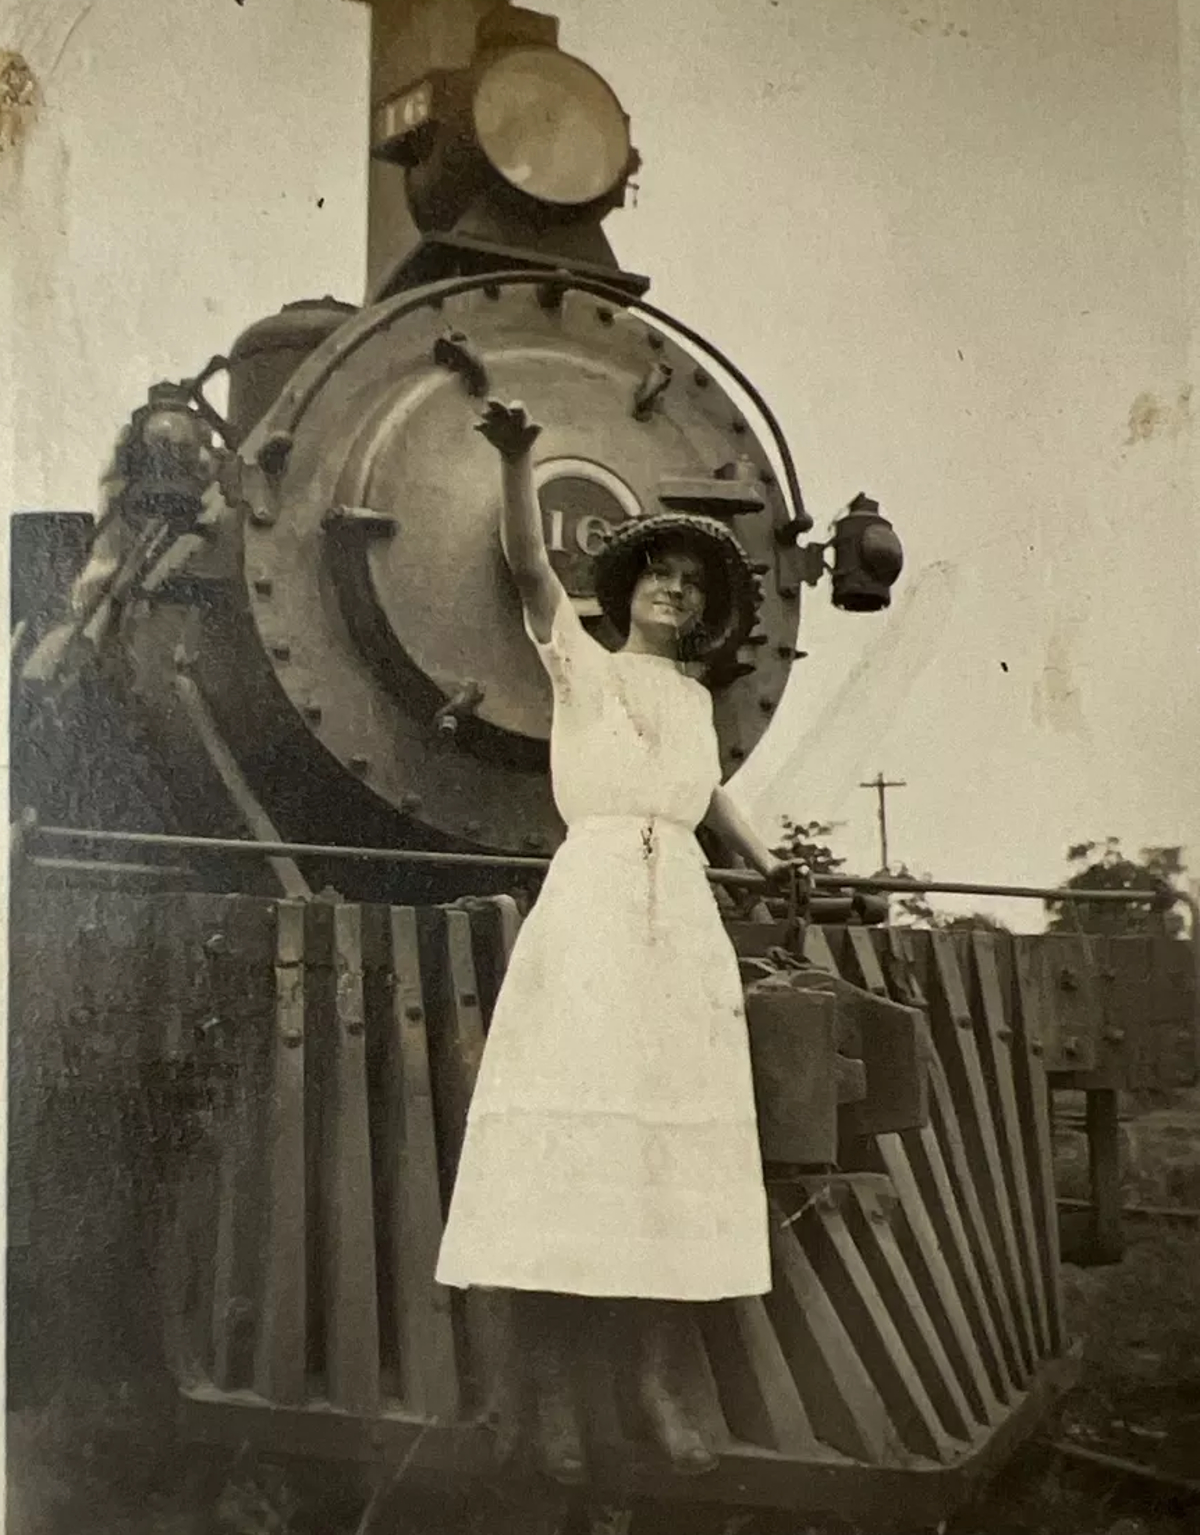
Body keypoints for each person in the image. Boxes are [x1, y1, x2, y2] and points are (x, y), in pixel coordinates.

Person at [435, 400, 788, 1485]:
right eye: (659, 574)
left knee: (666, 1140)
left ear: (702, 610)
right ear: (626, 588)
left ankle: (654, 1379)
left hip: (677, 914)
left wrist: (773, 865)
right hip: (592, 901)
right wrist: (518, 455)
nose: (673, 590)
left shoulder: (691, 697)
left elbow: (710, 796)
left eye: (691, 582)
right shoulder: (580, 662)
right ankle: (543, 1399)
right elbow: (530, 574)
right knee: (568, 1139)